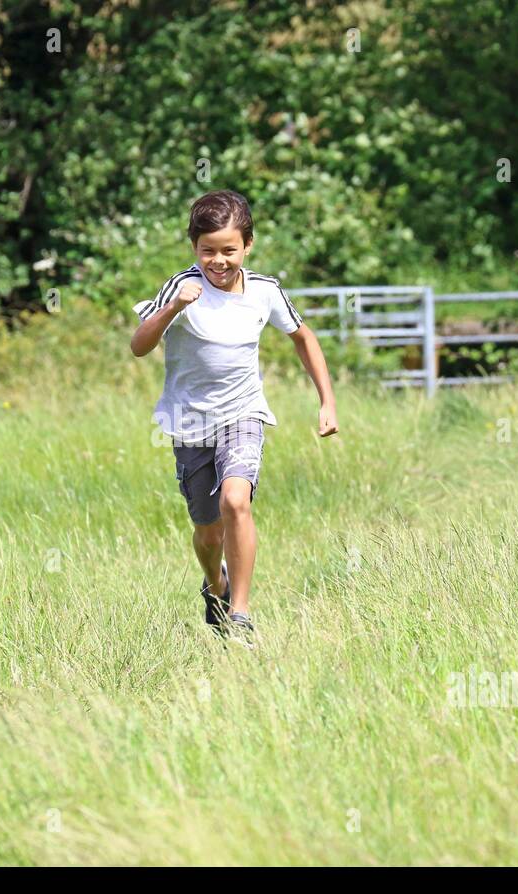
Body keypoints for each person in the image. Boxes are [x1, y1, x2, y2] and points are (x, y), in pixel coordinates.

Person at [130, 190, 338, 642]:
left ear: (247, 245)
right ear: (194, 248)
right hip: (189, 421)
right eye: (207, 250)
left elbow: (304, 338)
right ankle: (216, 585)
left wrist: (327, 401)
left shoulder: (265, 290)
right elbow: (139, 345)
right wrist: (174, 307)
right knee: (207, 534)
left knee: (236, 502)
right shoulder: (182, 286)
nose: (218, 261)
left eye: (228, 250)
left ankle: (240, 614)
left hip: (243, 412)